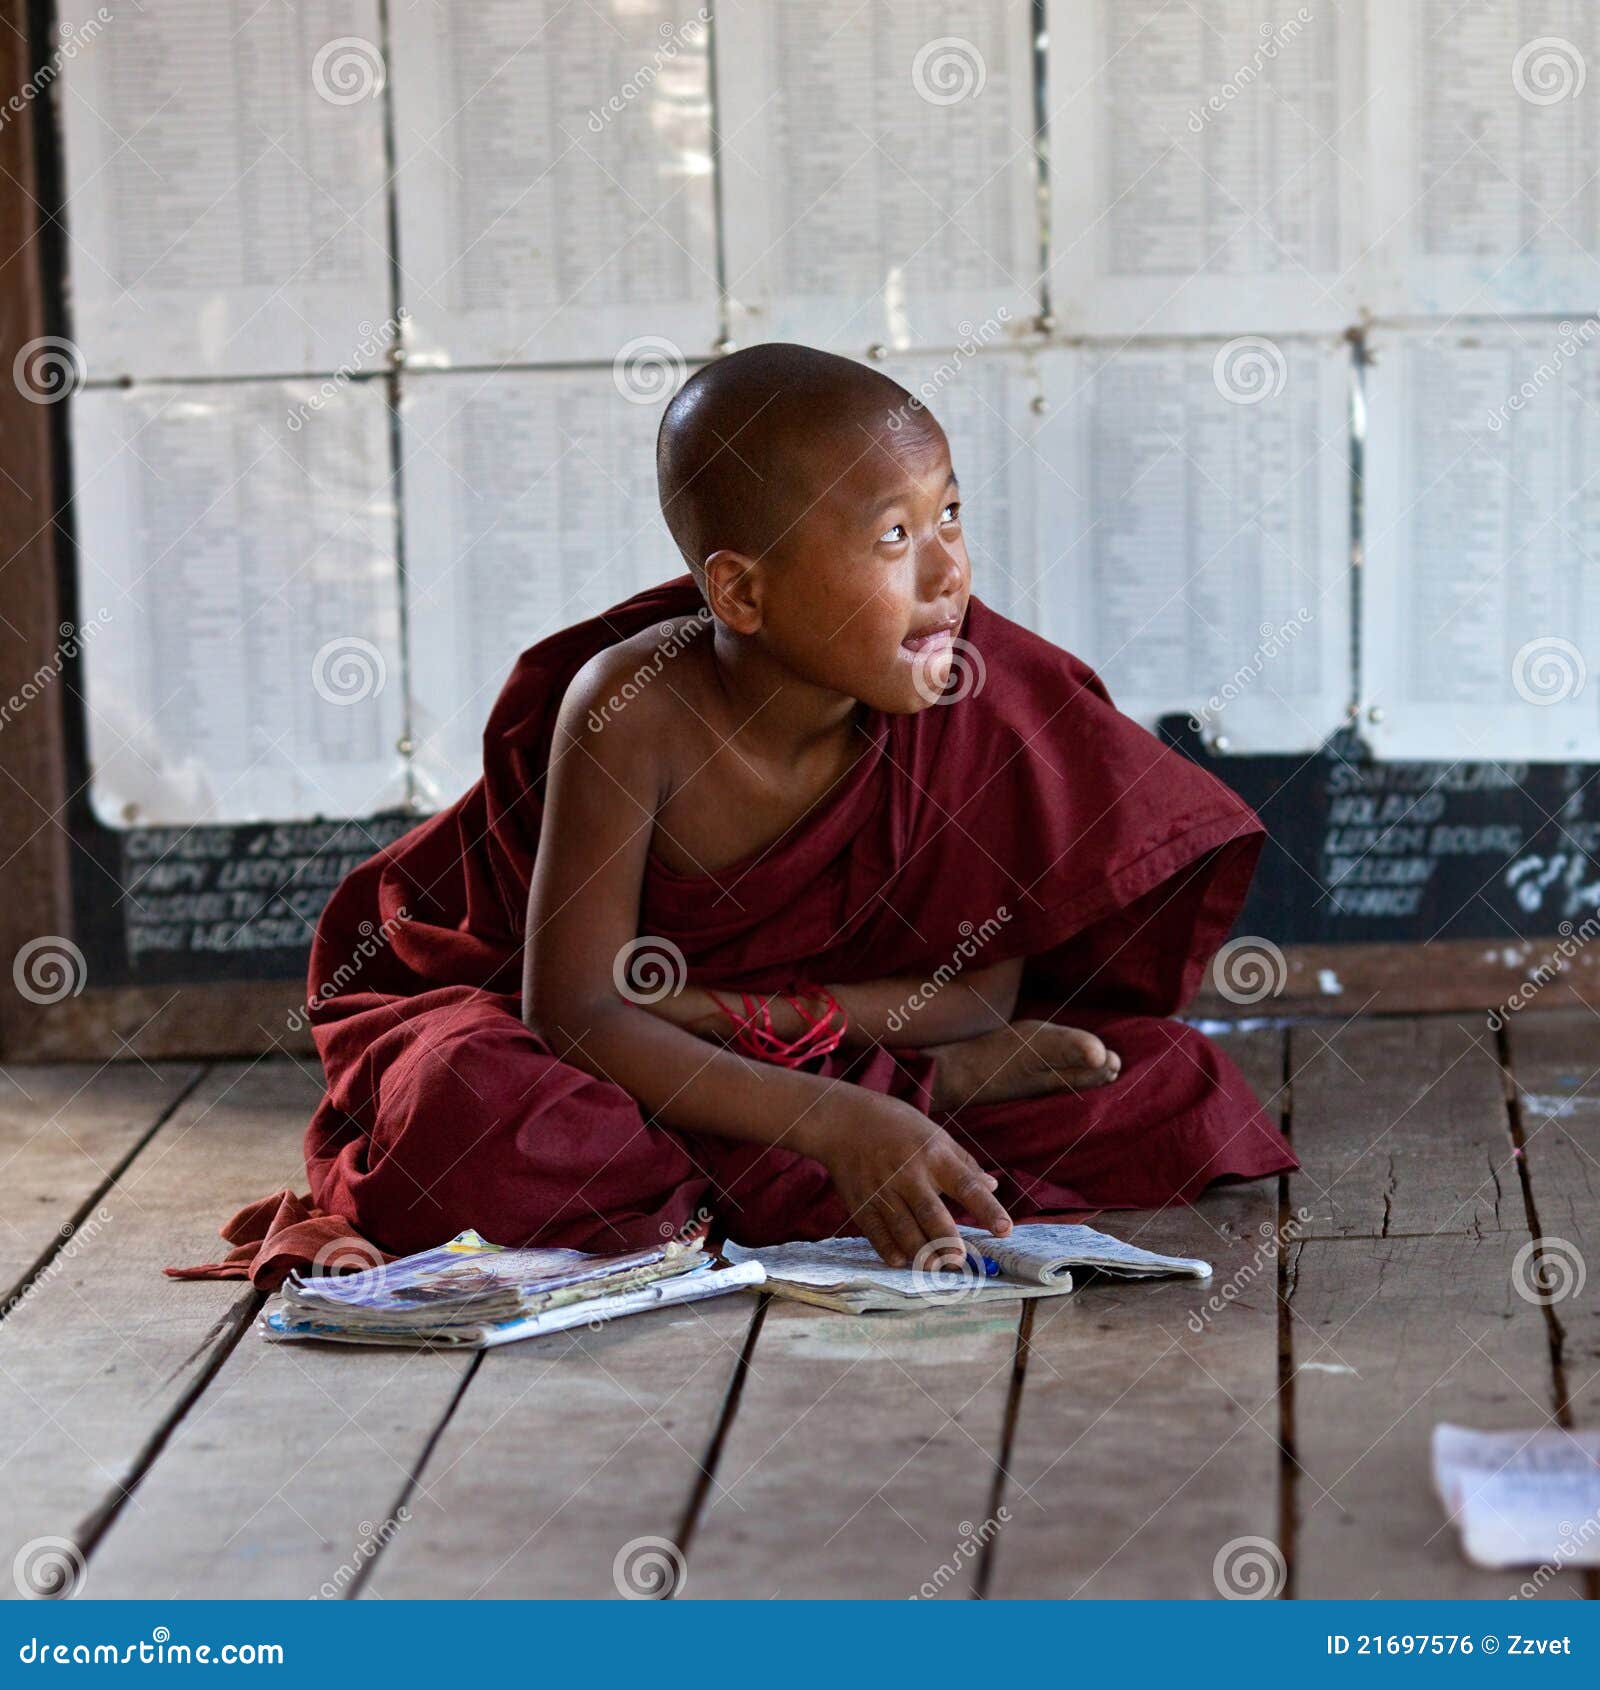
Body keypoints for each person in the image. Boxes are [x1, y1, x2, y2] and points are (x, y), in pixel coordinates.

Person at [295, 344, 1294, 1275]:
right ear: (739, 591)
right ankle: (898, 1121)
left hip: (778, 1041)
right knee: (473, 1106)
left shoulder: (978, 692)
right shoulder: (630, 709)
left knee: (1173, 1084)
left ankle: (843, 1138)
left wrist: (745, 1023)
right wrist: (836, 1117)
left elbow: (977, 997)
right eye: (893, 536)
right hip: (606, 1049)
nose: (948, 573)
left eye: (950, 515)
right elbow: (572, 1012)